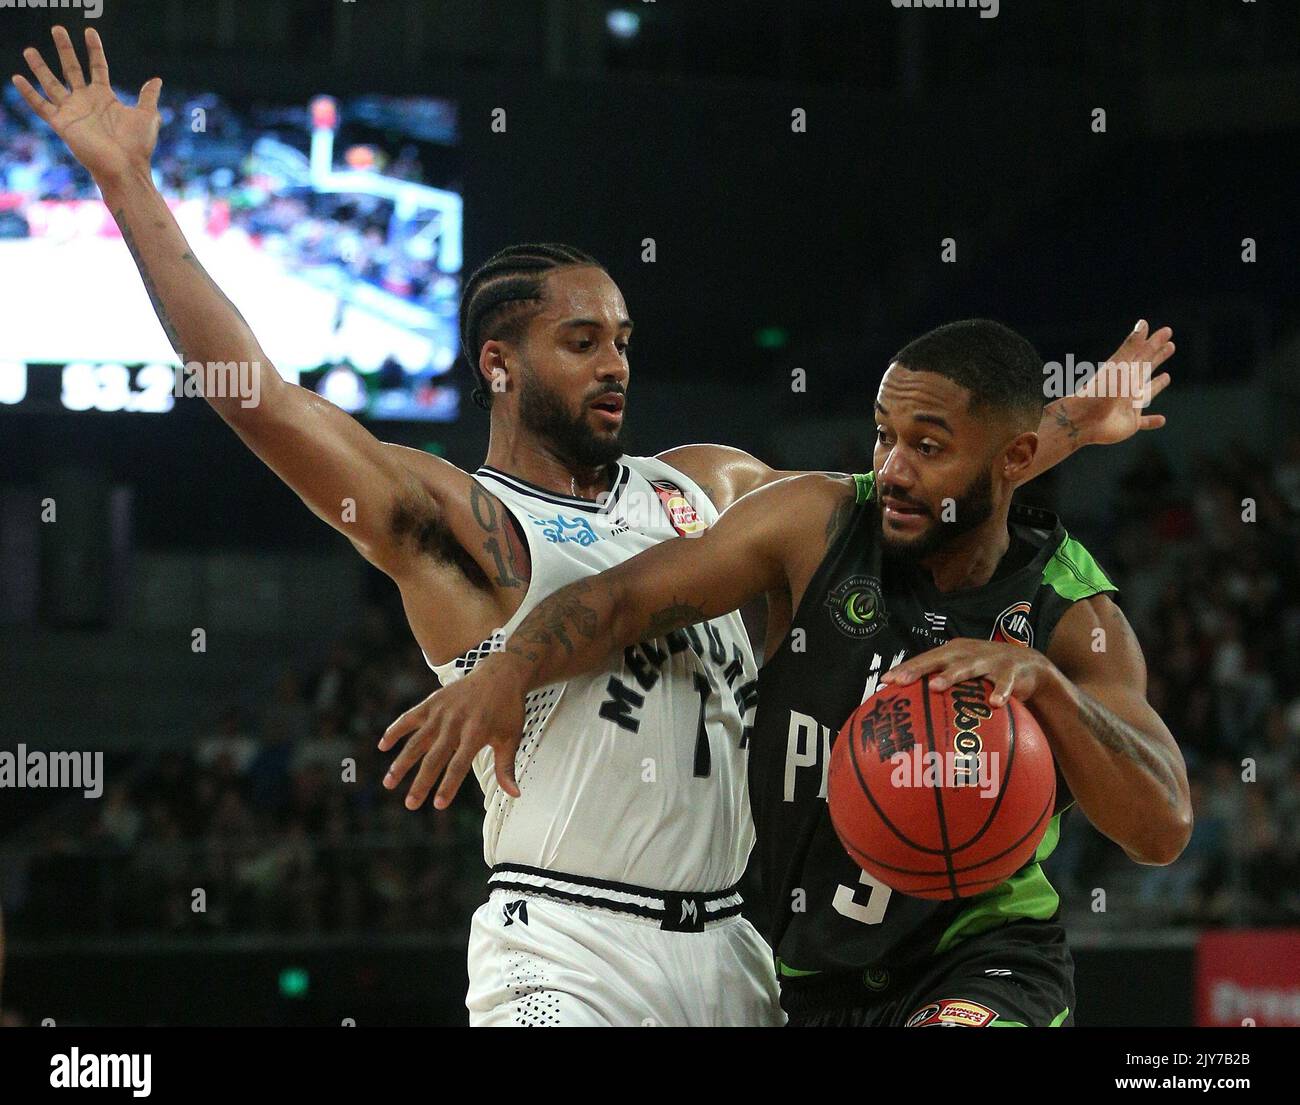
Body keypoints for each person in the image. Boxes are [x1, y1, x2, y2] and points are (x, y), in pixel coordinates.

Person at [14, 27, 1173, 1027]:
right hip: (563, 946)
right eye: (582, 342)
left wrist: (1072, 420)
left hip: (734, 950)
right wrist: (128, 189)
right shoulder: (461, 524)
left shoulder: (708, 488)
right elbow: (257, 395)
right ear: (499, 365)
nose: (616, 362)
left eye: (622, 337)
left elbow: (914, 479)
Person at [383, 319, 1192, 1028]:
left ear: (1012, 459)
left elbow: (1161, 827)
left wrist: (1042, 684)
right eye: (884, 435)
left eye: (928, 446)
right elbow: (627, 600)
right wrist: (508, 670)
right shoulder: (821, 523)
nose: (895, 467)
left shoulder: (1069, 608)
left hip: (979, 957)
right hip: (805, 979)